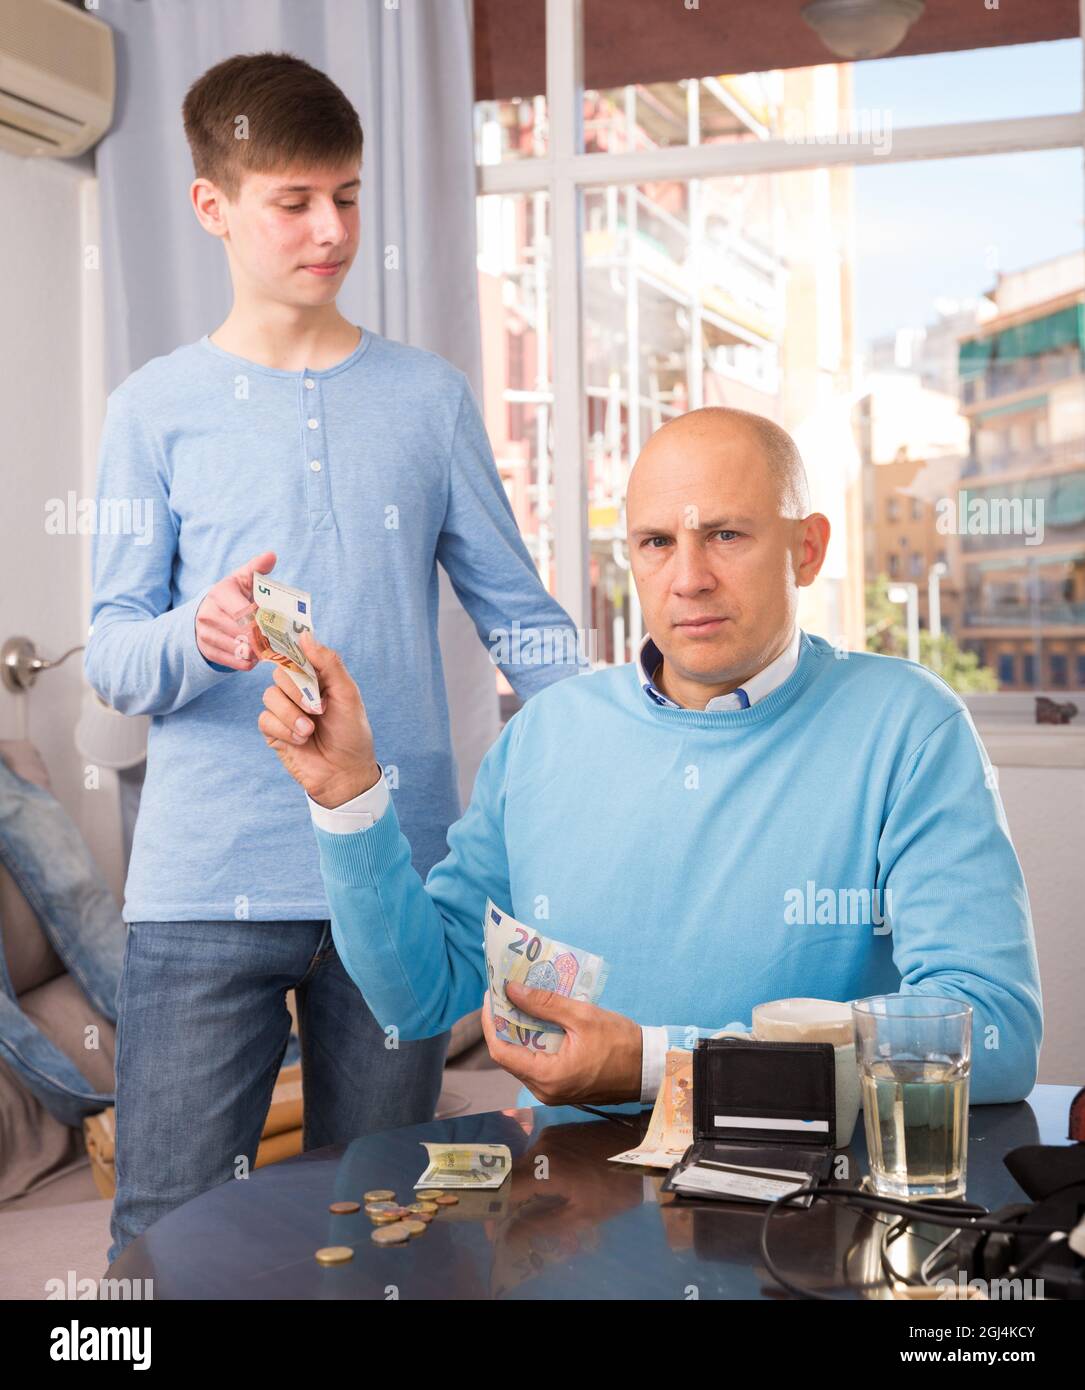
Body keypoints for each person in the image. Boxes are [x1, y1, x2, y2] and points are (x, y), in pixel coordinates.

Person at [86, 52, 580, 1263]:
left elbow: (519, 616)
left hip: (400, 886)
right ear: (213, 205)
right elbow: (109, 654)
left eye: (347, 197)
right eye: (293, 201)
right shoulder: (154, 407)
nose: (330, 228)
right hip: (206, 886)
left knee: (390, 1219)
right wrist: (197, 635)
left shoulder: (427, 397)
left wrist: (637, 731)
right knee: (164, 1232)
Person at [258, 406, 1043, 1111]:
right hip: (576, 1212)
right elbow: (417, 998)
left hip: (809, 1204)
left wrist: (660, 1066)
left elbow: (991, 1034)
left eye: (725, 536)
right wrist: (349, 797)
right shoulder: (545, 733)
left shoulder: (908, 725)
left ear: (806, 549)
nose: (689, 579)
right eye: (657, 542)